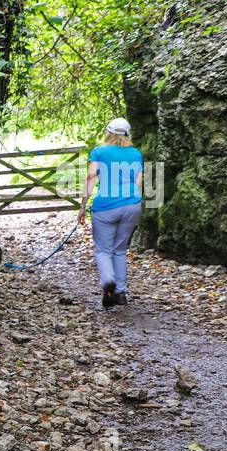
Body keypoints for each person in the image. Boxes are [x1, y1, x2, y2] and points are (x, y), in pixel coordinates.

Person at [80, 117, 144, 308]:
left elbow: (91, 177)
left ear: (108, 132)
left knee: (103, 250)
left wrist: (83, 205)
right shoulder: (136, 153)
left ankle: (108, 280)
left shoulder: (99, 152)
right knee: (120, 250)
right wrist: (133, 200)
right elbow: (138, 182)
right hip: (132, 204)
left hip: (105, 206)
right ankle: (121, 292)